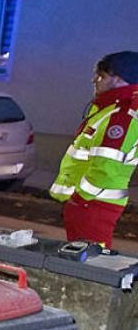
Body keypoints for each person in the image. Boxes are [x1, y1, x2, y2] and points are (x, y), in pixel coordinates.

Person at [50, 51, 138, 248]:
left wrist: (81, 198)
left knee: (89, 263)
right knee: (83, 257)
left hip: (94, 203)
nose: (95, 80)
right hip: (89, 202)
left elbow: (106, 167)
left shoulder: (122, 115)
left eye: (101, 76)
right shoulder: (110, 109)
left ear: (119, 79)